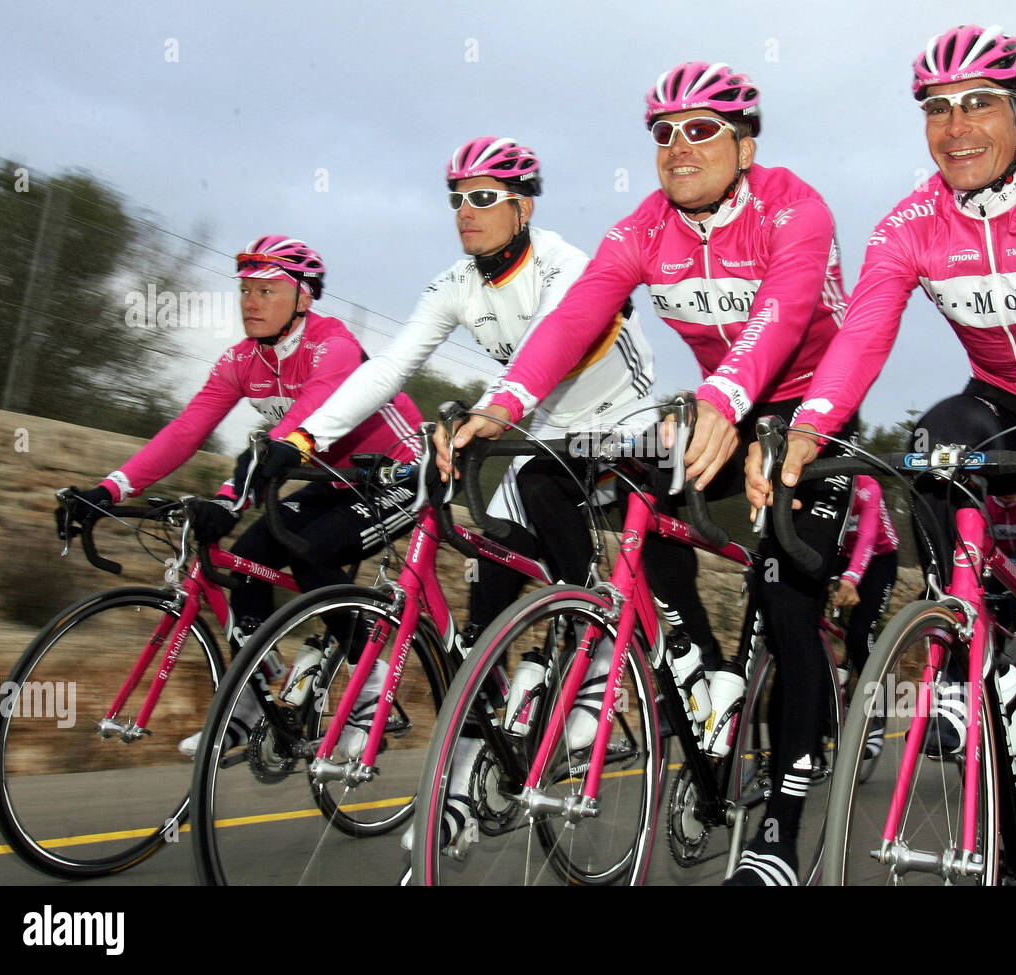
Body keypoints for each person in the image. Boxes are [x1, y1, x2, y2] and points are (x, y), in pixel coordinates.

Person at [750, 25, 1016, 885]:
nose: (956, 126)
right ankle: (965, 632)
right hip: (995, 403)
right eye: (937, 108)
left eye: (978, 105)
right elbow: (862, 332)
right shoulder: (911, 222)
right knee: (929, 444)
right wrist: (810, 426)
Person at [442, 61, 853, 885]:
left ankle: (781, 826)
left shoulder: (794, 207)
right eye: (662, 133)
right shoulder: (644, 227)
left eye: (700, 128)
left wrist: (725, 397)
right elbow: (578, 311)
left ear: (745, 142)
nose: (677, 146)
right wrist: (506, 402)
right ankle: (695, 668)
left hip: (812, 416)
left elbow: (782, 314)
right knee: (595, 483)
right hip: (716, 405)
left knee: (786, 598)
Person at [289, 138, 657, 853]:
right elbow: (391, 365)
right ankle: (467, 768)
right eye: (457, 198)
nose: (467, 211)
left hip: (622, 425)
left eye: (483, 197)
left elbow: (546, 343)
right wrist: (300, 439)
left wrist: (487, 413)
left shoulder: (564, 265)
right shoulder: (457, 283)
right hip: (537, 426)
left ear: (523, 205)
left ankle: (600, 654)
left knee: (551, 503)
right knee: (490, 570)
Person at [61, 236, 423, 756]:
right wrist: (109, 488)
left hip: (399, 475)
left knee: (312, 552)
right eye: (246, 291)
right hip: (332, 483)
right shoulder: (242, 361)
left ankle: (372, 690)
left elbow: (296, 431)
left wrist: (232, 497)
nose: (250, 302)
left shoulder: (334, 346)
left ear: (303, 297)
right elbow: (186, 431)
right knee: (251, 557)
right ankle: (252, 695)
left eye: (266, 290)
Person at [833, 475, 900, 760]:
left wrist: (851, 578)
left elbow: (869, 538)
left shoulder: (867, 487)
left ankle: (878, 713)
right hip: (839, 553)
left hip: (879, 560)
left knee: (861, 634)